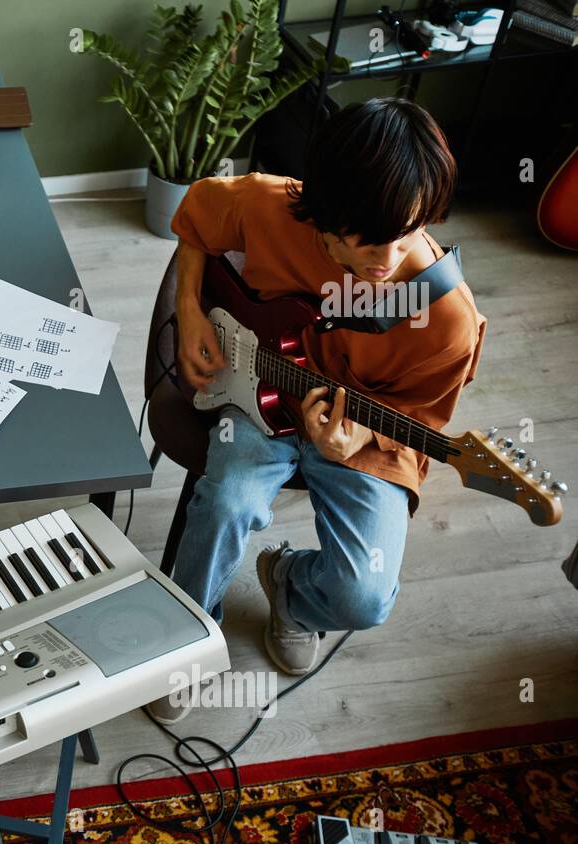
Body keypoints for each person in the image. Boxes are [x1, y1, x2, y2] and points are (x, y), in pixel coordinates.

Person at [153, 98, 485, 721]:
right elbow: (196, 213)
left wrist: (353, 444)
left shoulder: (447, 320)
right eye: (366, 237)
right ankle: (185, 642)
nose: (388, 259)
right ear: (325, 213)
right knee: (225, 504)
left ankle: (291, 589)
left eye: (408, 231)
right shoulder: (269, 204)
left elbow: (419, 422)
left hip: (363, 434)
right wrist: (191, 308)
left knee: (365, 599)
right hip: (254, 394)